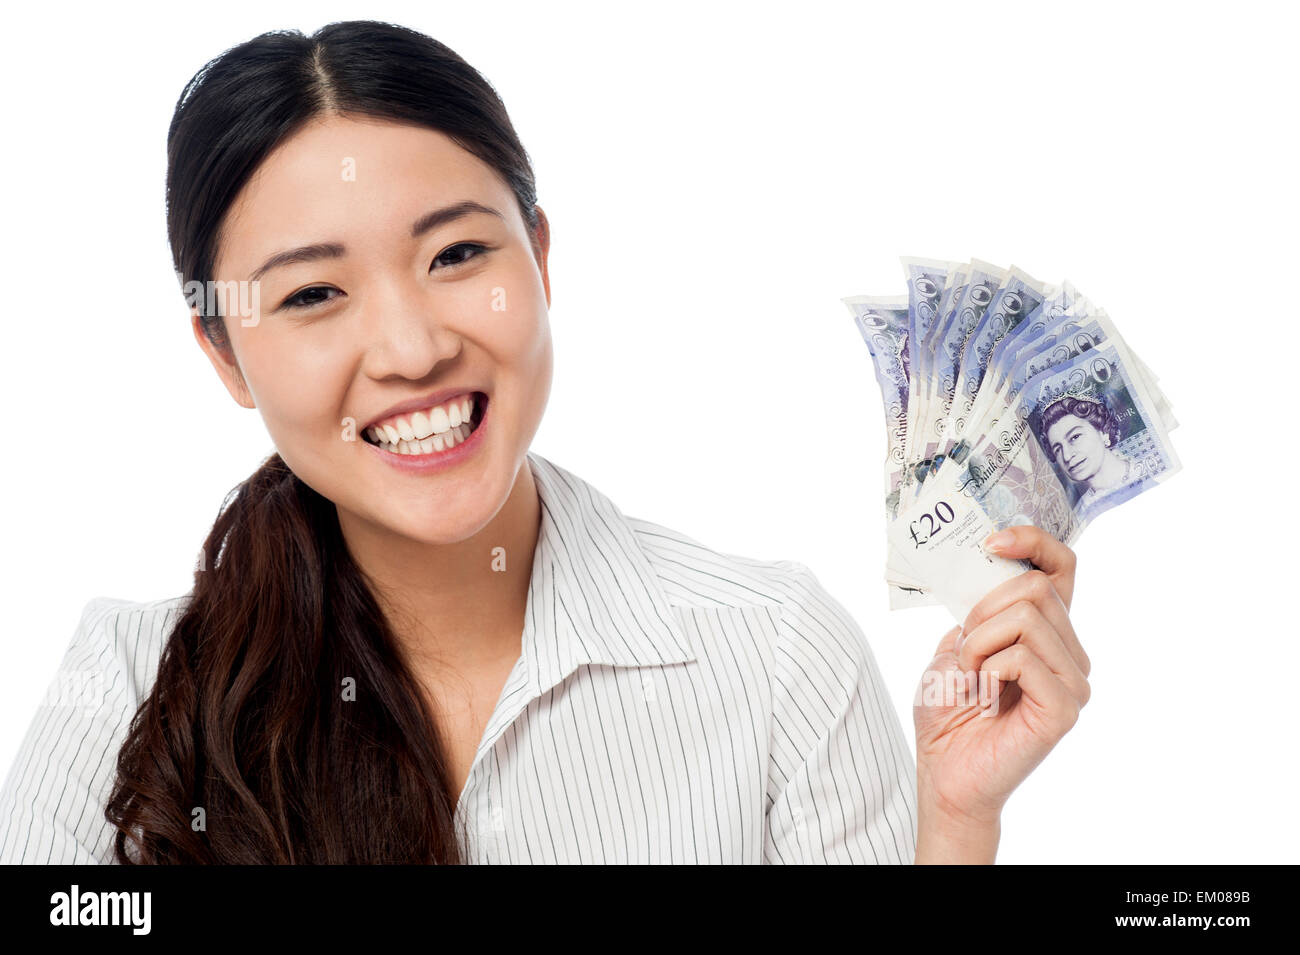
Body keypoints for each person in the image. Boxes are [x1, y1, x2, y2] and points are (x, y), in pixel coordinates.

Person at [0, 20, 1089, 865]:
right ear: (223, 354)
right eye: (314, 292)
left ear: (540, 258)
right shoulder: (128, 686)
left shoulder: (777, 659)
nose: (412, 348)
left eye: (456, 252)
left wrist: (950, 821)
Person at [1041, 394, 1133, 508]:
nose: (1067, 456)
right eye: (1058, 449)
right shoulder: (1081, 511)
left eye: (1075, 437)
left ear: (1104, 431)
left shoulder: (1147, 469)